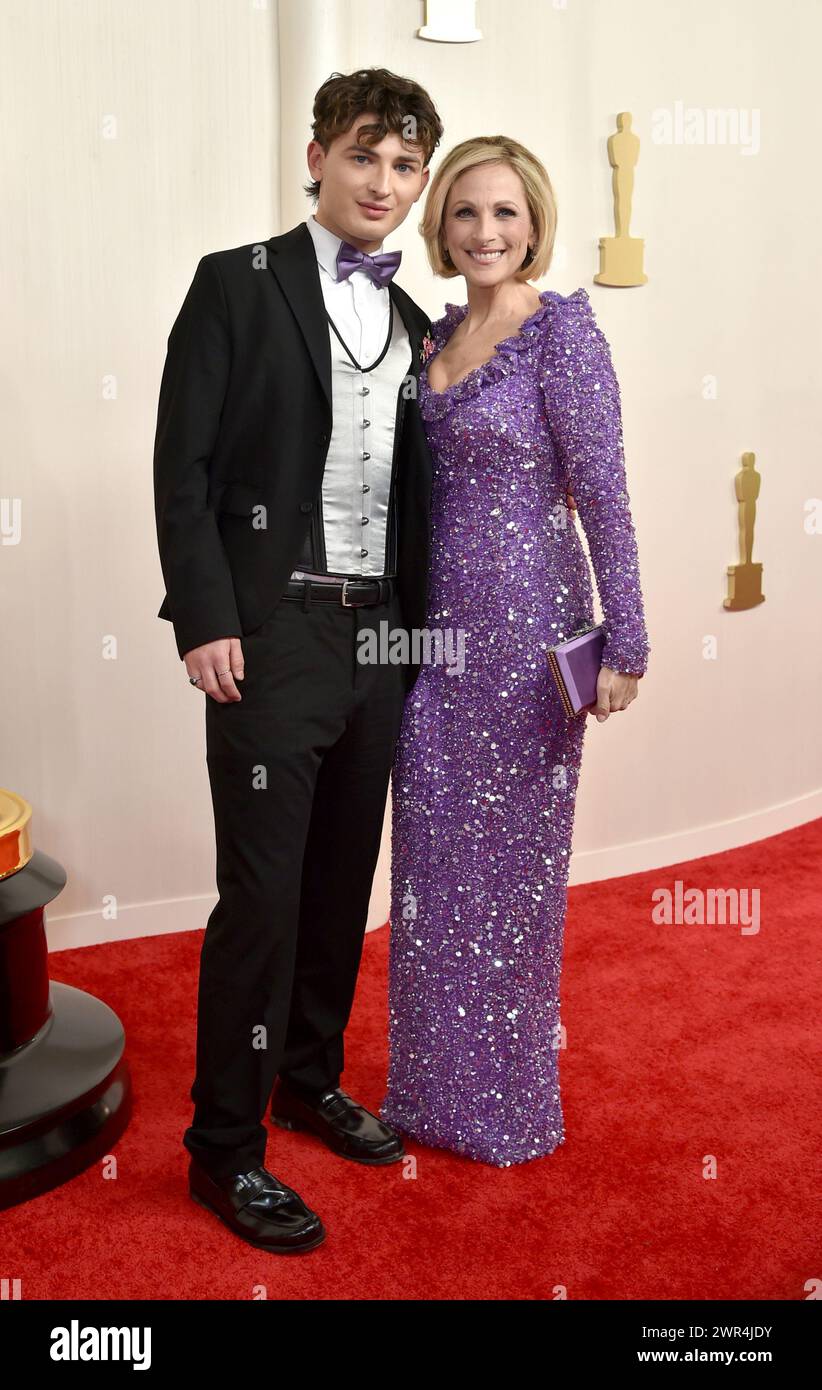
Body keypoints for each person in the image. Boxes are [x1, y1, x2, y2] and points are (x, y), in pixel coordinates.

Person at [153, 68, 444, 1253]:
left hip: (383, 633)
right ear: (315, 158)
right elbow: (183, 466)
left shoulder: (423, 324)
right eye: (364, 155)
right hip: (273, 632)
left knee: (340, 881)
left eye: (405, 166)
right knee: (264, 900)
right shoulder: (238, 284)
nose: (383, 181)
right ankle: (224, 1149)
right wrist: (205, 617)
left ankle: (305, 1078)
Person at [381, 136, 651, 1166]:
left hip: (533, 643)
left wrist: (625, 641)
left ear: (534, 223)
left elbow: (605, 497)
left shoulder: (566, 338)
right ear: (441, 228)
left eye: (504, 213)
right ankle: (428, 1090)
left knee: (514, 885)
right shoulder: (435, 337)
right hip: (432, 644)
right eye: (464, 214)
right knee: (433, 868)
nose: (485, 232)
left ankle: (505, 1106)